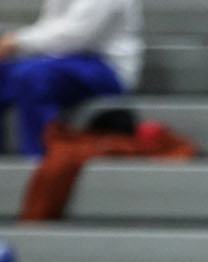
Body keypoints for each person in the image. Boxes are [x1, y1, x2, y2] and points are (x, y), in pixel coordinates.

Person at [0, 0, 140, 156]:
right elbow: (49, 28)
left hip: (105, 68)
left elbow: (75, 36)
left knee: (33, 77)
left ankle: (40, 161)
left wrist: (16, 42)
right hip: (59, 62)